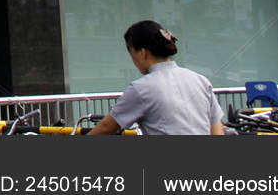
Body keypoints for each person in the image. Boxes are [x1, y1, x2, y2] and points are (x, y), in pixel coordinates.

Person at [88, 20, 225, 136]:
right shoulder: (200, 80)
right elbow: (217, 130)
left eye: (132, 54)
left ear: (142, 52)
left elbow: (106, 127)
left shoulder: (140, 88)